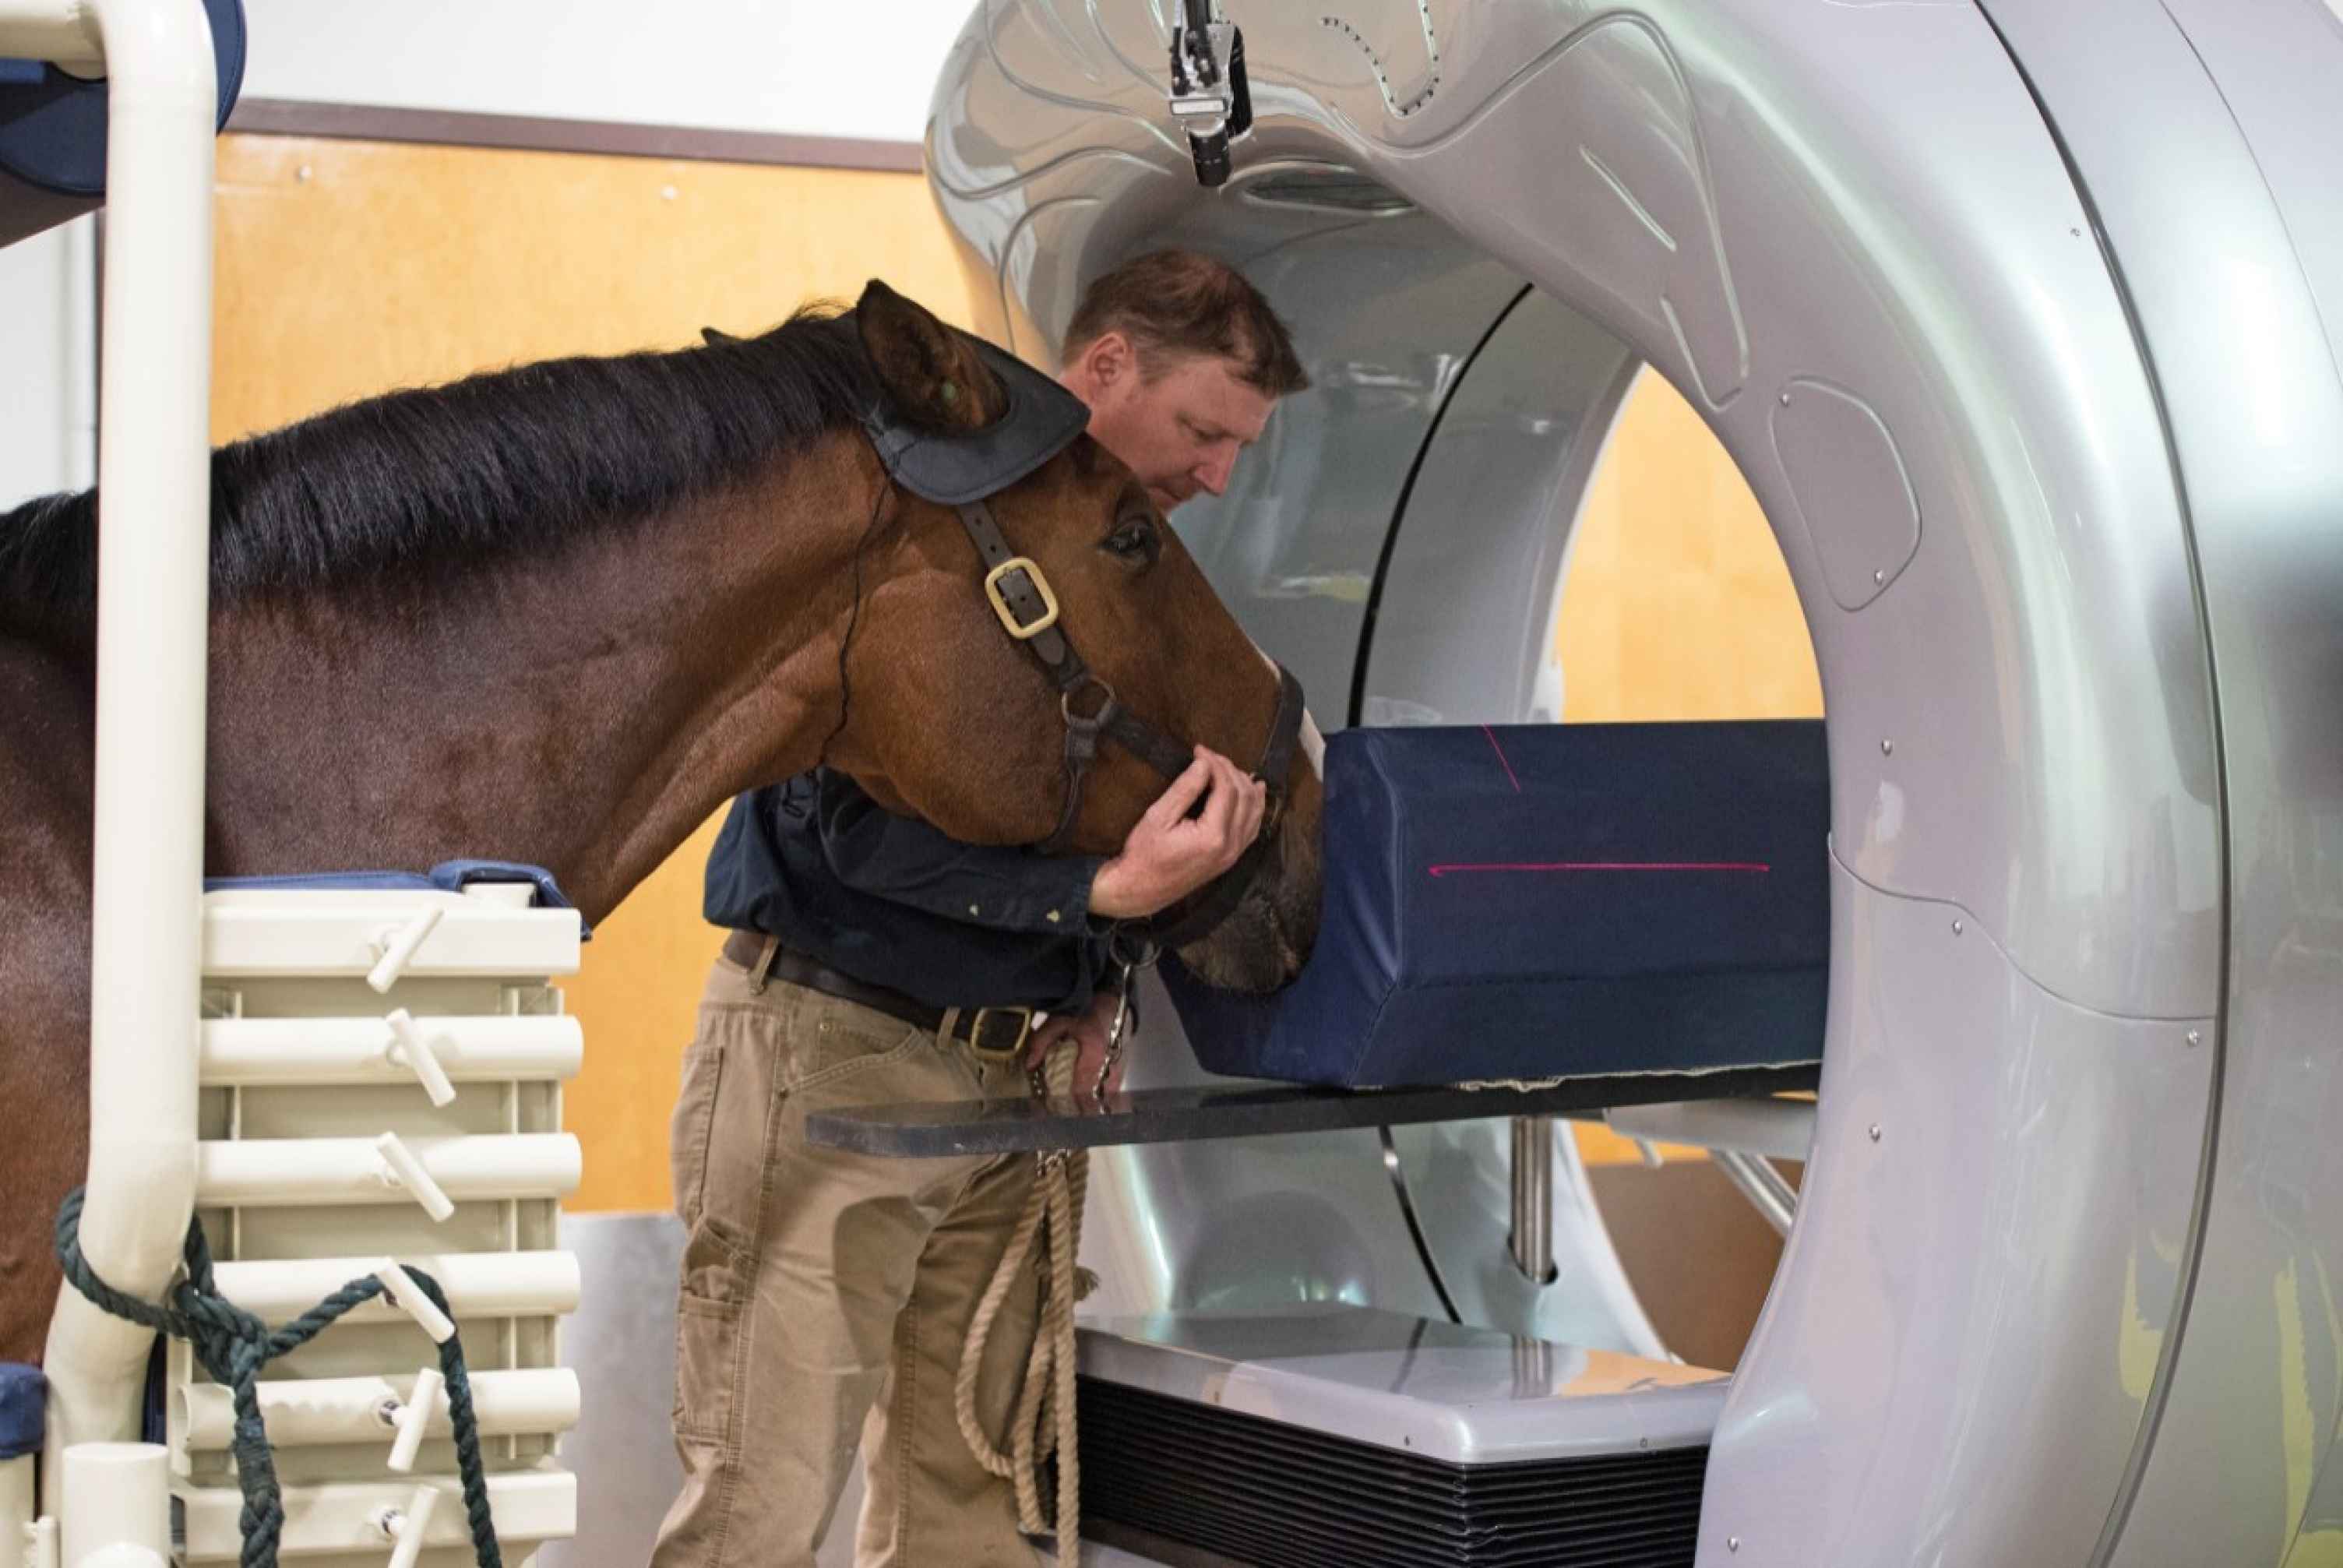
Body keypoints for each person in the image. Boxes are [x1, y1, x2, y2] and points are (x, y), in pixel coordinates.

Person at [652, 248, 1311, 1568]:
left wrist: (1096, 975)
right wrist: (1096, 895)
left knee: (982, 1517)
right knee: (757, 1516)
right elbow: (842, 833)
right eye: (1202, 430)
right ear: (1106, 366)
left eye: (1239, 446)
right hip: (834, 1058)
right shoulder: (912, 517)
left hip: (1013, 1080)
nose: (1220, 474)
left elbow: (1083, 801)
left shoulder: (1113, 577)